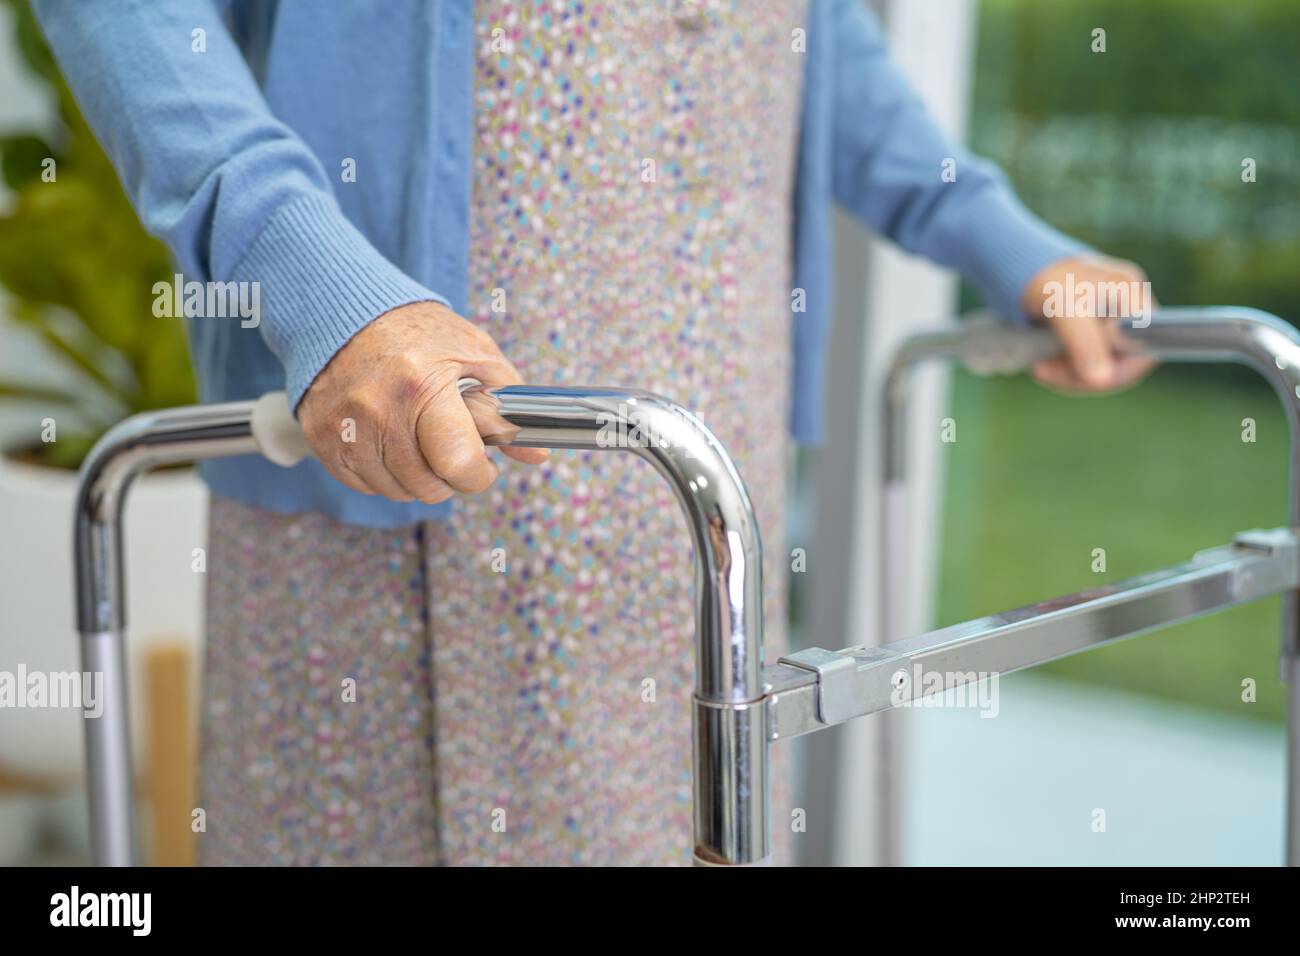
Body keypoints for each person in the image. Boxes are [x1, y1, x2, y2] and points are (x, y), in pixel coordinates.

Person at [33, 0, 1154, 865]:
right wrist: (303, 268)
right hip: (401, 438)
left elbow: (802, 36)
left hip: (703, 458)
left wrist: (995, 231)